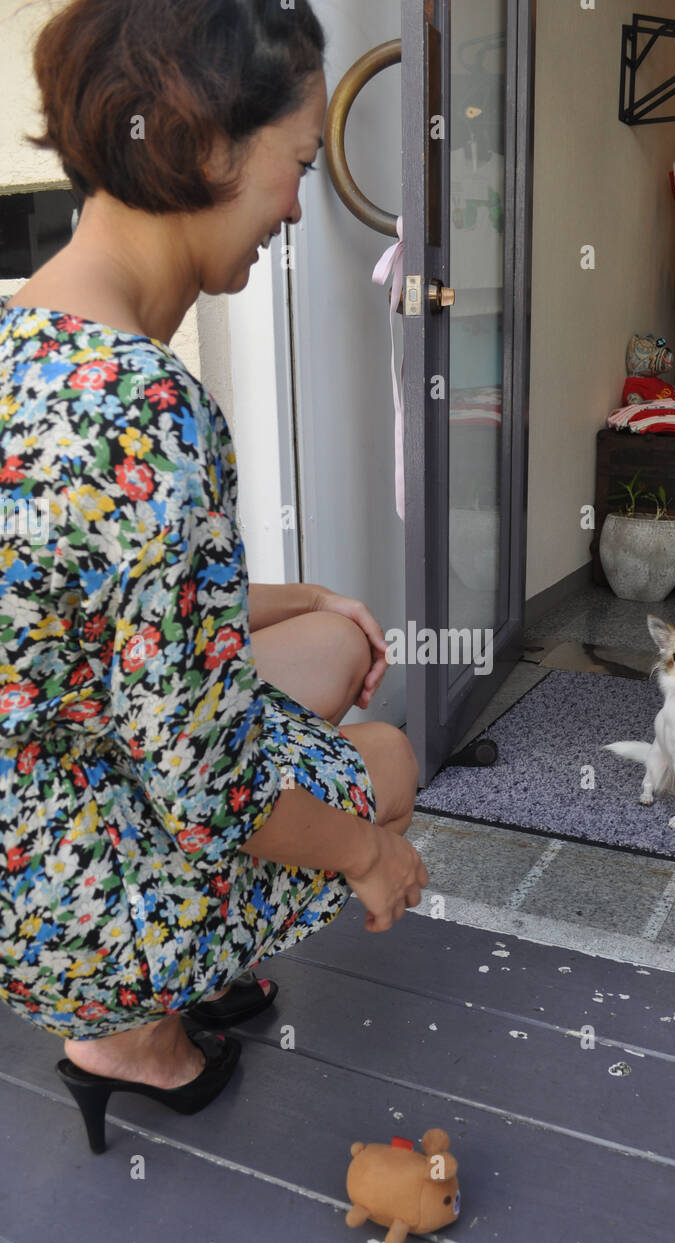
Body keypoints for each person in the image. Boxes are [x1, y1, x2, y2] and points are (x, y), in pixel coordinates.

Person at [0, 0, 428, 1153]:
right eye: (293, 164)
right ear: (203, 149)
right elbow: (205, 787)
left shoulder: (24, 338)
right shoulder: (144, 404)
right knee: (384, 763)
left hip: (32, 809)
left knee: (332, 645)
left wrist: (309, 597)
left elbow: (91, 619)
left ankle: (155, 983)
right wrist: (370, 855)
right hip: (60, 897)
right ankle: (129, 1038)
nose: (294, 206)